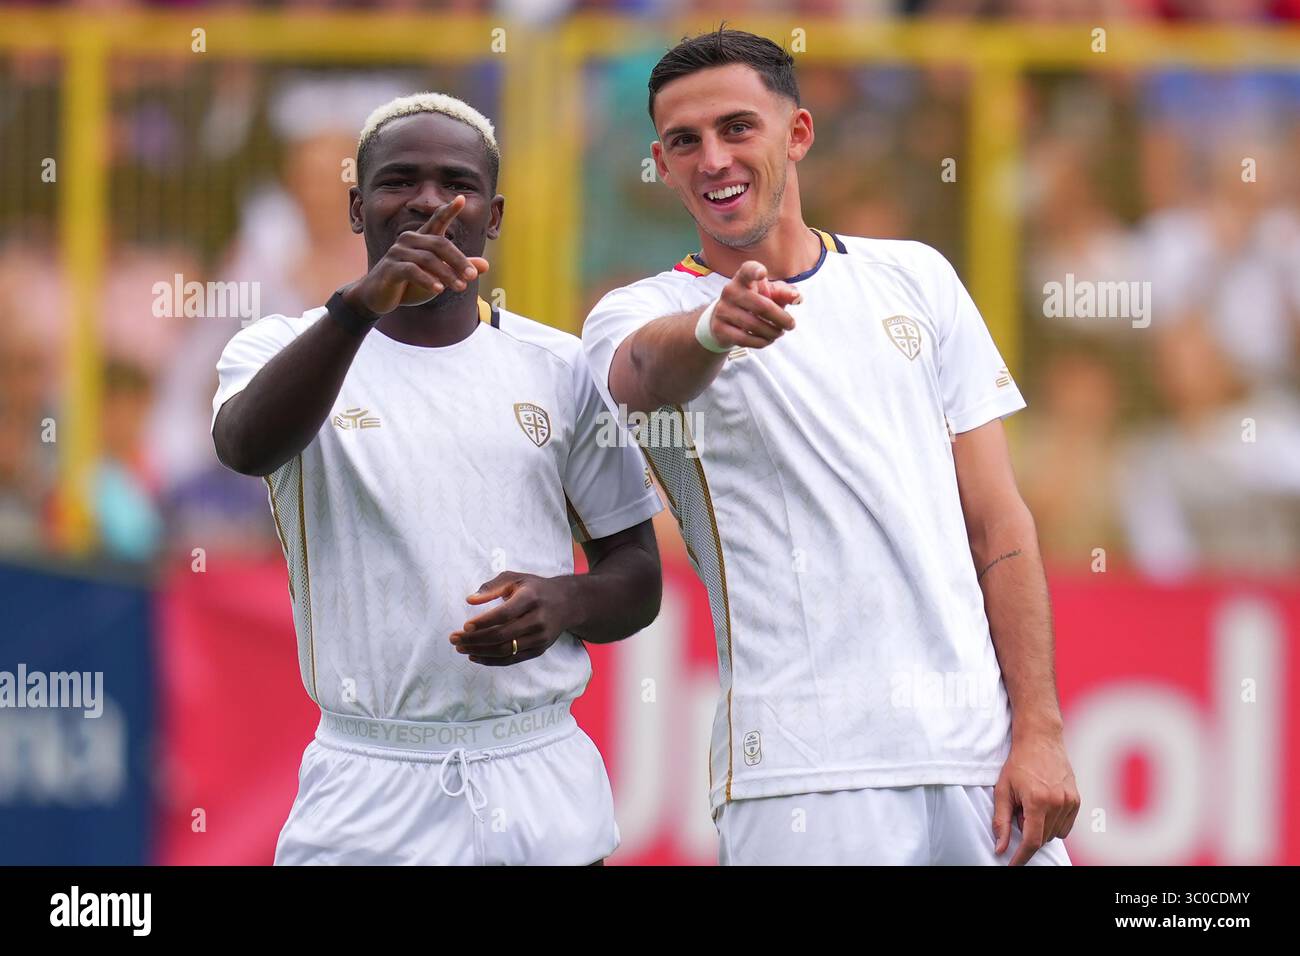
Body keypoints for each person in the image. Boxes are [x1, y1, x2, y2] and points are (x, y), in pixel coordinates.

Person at [581, 29, 1079, 865]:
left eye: (738, 128)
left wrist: (1039, 730)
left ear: (798, 134)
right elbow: (641, 375)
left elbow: (999, 522)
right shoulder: (638, 312)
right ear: (661, 166)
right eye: (684, 142)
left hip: (979, 760)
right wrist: (712, 329)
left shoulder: (917, 278)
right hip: (801, 777)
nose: (713, 159)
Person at [211, 92, 663, 865]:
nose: (427, 200)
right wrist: (358, 310)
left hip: (538, 776)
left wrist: (565, 600)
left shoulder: (556, 367)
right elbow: (247, 446)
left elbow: (639, 578)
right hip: (368, 783)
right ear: (358, 208)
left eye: (456, 181)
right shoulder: (279, 347)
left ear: (493, 215)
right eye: (398, 181)